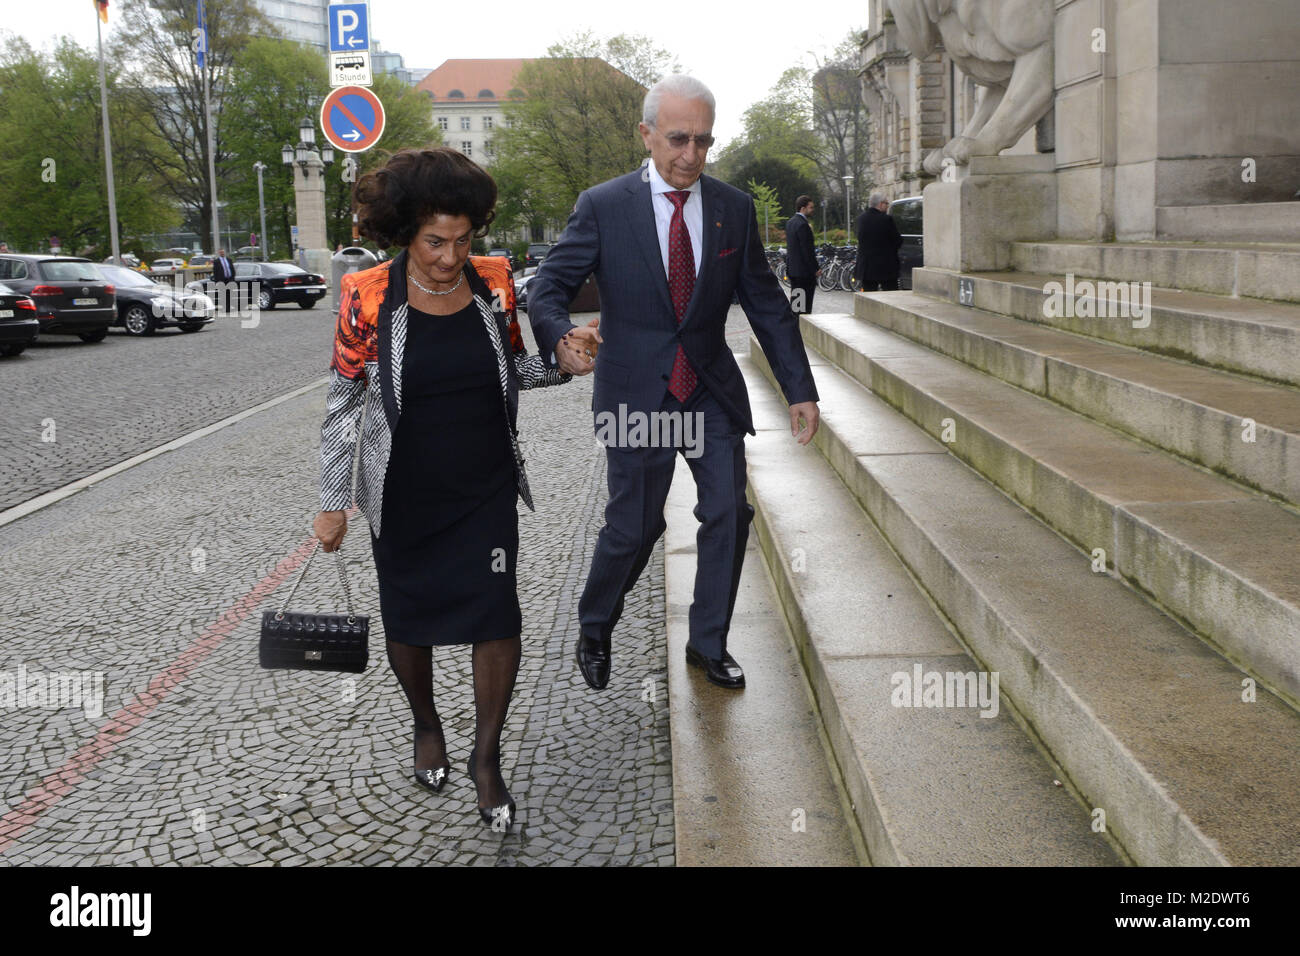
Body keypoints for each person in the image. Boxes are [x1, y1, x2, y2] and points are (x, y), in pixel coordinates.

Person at [312, 147, 595, 830]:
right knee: (409, 618)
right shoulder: (367, 295)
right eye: (435, 241)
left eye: (463, 239)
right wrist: (331, 500)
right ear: (407, 232)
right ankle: (426, 723)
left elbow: (512, 371)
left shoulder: (493, 282)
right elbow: (346, 402)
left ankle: (487, 759)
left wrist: (562, 362)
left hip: (483, 486)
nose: (450, 256)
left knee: (496, 616)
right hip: (403, 490)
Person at [528, 74, 821, 692]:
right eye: (678, 138)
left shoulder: (733, 208)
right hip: (638, 396)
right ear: (647, 134)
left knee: (728, 513)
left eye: (703, 141)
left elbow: (767, 305)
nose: (691, 154)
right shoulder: (604, 205)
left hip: (708, 390)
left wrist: (800, 389)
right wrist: (559, 336)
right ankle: (596, 624)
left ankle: (708, 642)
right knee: (634, 527)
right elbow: (549, 287)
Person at [854, 192, 903, 292]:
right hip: (886, 266)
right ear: (880, 204)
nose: (887, 206)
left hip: (866, 266)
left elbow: (860, 238)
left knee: (869, 295)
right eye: (886, 203)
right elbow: (897, 240)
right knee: (890, 294)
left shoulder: (860, 219)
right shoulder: (886, 219)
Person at [785, 195, 819, 315]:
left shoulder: (790, 223)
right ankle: (801, 325)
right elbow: (807, 250)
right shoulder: (803, 225)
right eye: (811, 207)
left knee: (796, 305)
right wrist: (815, 268)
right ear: (803, 208)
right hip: (804, 273)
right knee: (805, 307)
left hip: (794, 270)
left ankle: (795, 324)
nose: (813, 210)